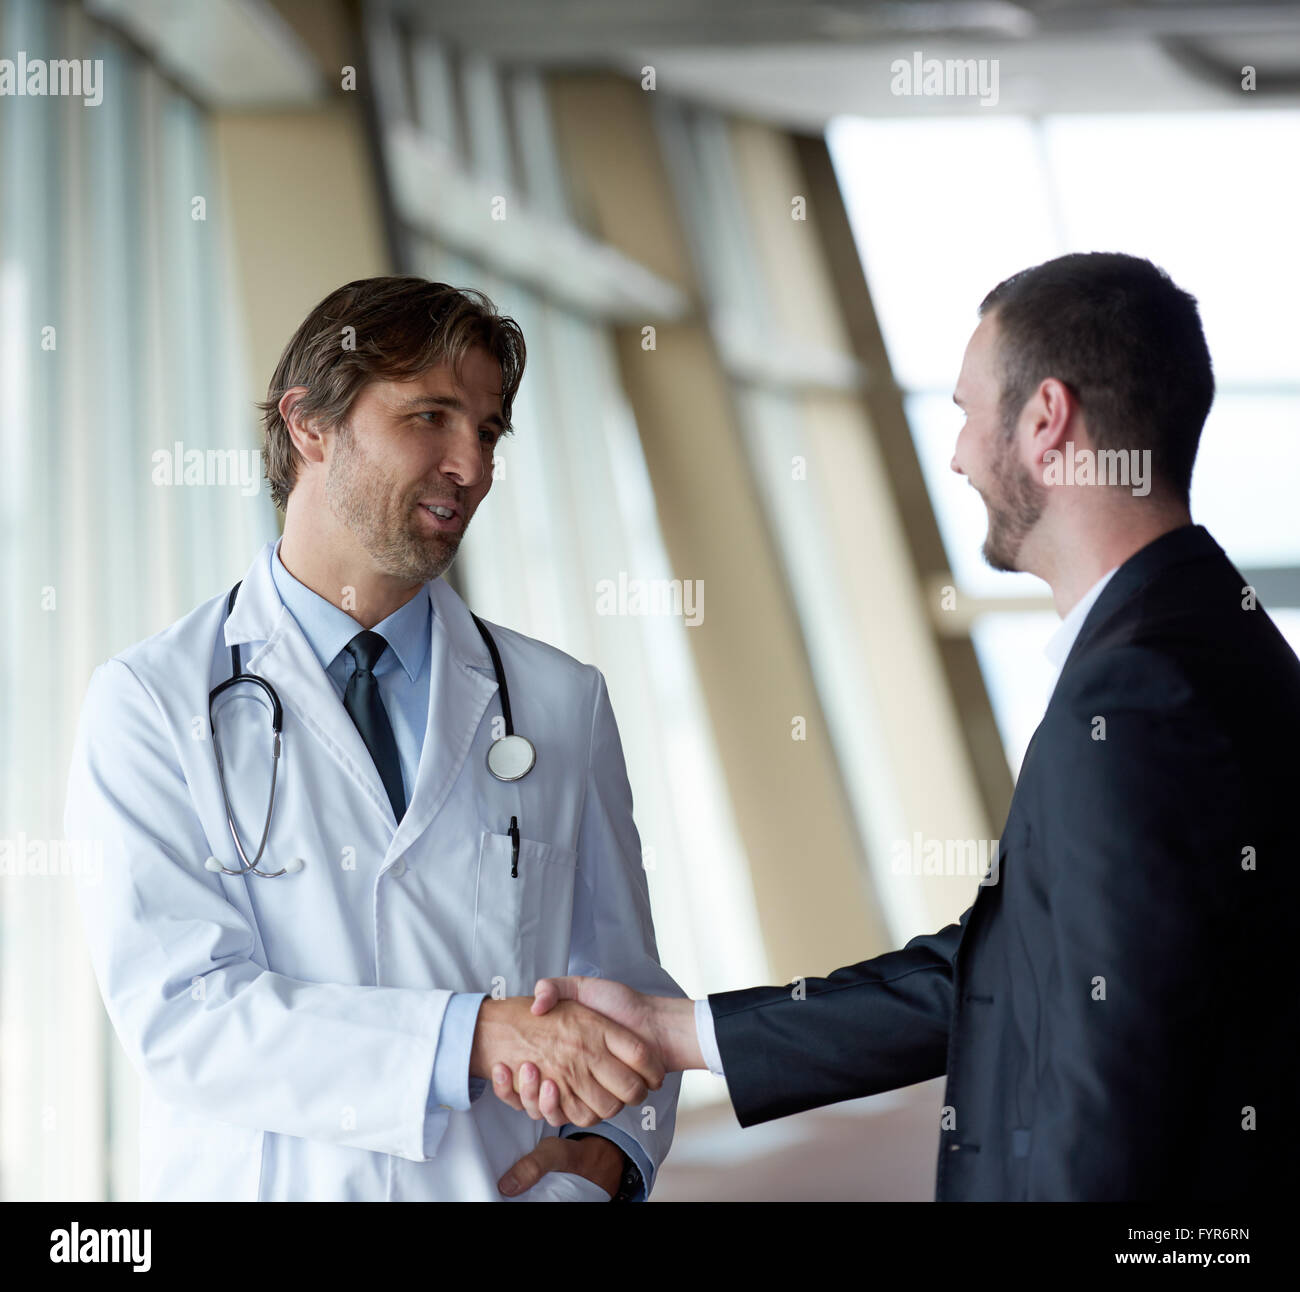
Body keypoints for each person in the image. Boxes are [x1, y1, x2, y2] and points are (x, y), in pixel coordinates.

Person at [500, 253, 1298, 1201]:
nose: (957, 454)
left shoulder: (1133, 693)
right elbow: (1003, 972)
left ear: (1047, 421)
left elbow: (1116, 1078)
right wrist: (681, 1033)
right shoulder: (1205, 639)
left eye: (967, 412)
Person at [67, 276, 681, 1202]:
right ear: (310, 424)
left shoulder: (559, 701)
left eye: (486, 431)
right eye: (429, 417)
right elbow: (186, 1020)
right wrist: (475, 1034)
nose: (468, 466)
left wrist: (608, 1160)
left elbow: (626, 992)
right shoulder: (152, 703)